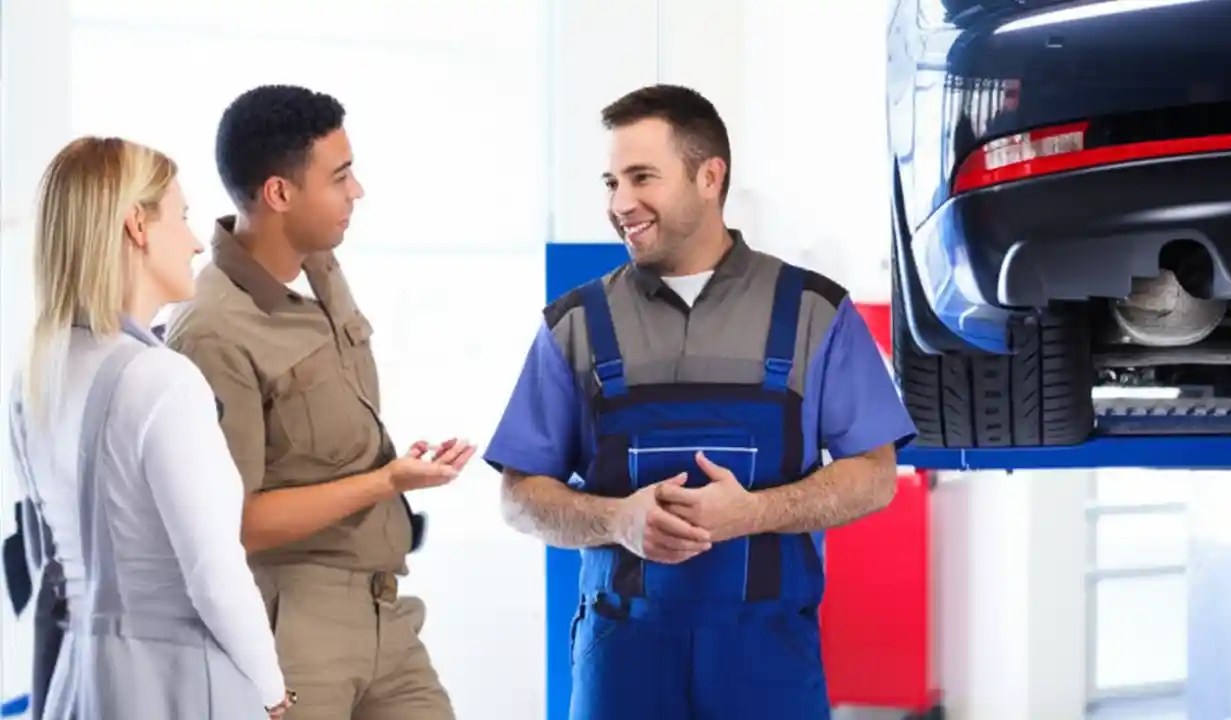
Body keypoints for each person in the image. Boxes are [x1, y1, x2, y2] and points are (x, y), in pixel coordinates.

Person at [484, 84, 918, 720]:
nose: (620, 203)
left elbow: (875, 477)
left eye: (641, 178)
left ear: (709, 176)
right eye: (611, 182)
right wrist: (616, 521)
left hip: (765, 663)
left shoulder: (812, 313)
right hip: (622, 664)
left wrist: (754, 512)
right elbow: (519, 496)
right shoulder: (575, 323)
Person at [165, 84, 473, 720]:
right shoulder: (212, 329)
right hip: (294, 628)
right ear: (279, 193)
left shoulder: (320, 268)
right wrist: (385, 481)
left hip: (384, 610)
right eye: (340, 177)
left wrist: (390, 469)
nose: (355, 191)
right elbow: (237, 523)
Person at [7, 136, 295, 718]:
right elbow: (215, 575)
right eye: (182, 217)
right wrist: (273, 694)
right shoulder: (163, 380)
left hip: (78, 684)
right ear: (137, 226)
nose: (194, 242)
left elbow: (44, 563)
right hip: (181, 686)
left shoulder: (34, 377)